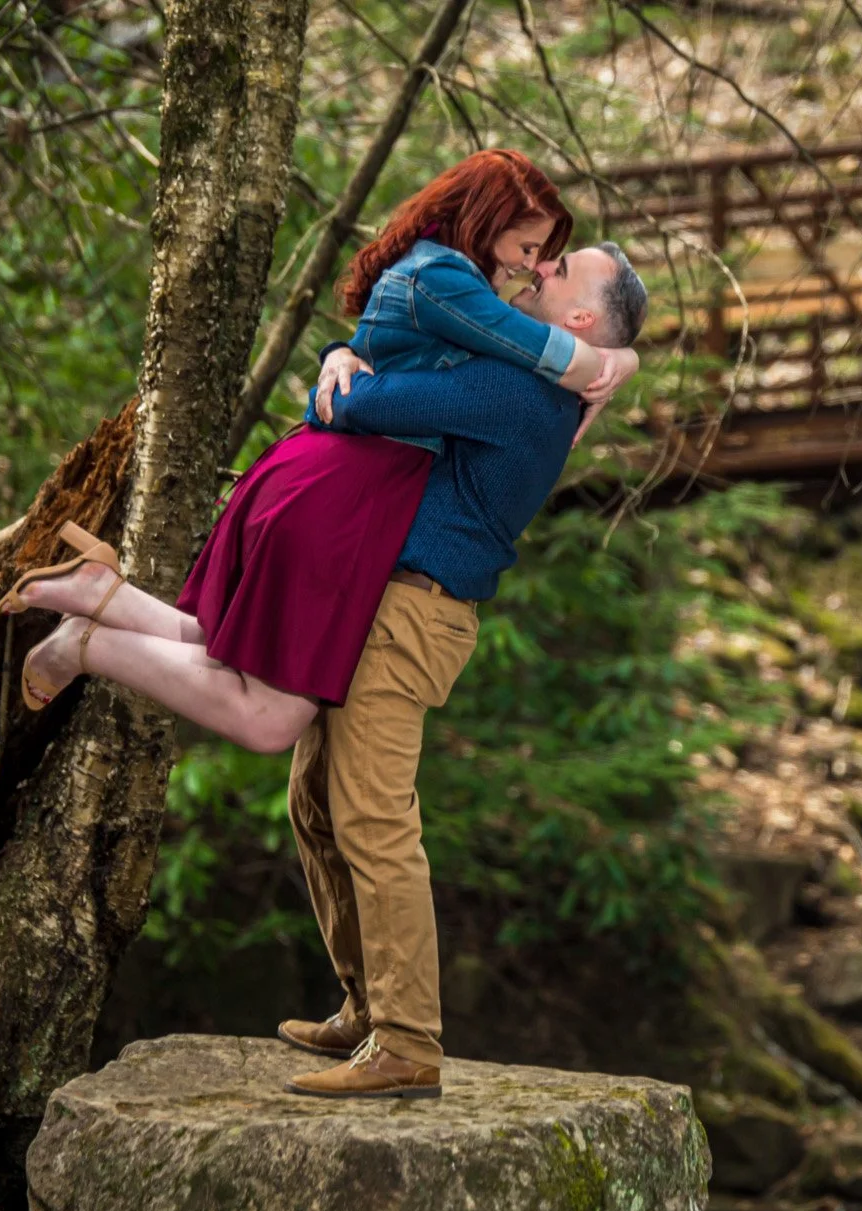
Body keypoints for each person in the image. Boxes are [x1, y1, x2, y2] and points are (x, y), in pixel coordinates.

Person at [0, 149, 636, 746]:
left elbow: (397, 355)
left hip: (321, 478)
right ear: (488, 220)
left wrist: (618, 357)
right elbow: (519, 360)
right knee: (272, 719)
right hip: (343, 491)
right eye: (530, 246)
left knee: (220, 640)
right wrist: (611, 362)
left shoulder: (440, 273)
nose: (535, 264)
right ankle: (86, 642)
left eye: (549, 258)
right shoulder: (455, 288)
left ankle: (97, 591)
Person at [277, 239, 649, 1099]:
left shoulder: (516, 387)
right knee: (315, 801)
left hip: (412, 613)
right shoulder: (527, 372)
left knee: (371, 816)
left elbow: (349, 408)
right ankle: (367, 1004)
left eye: (557, 271)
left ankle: (407, 1041)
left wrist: (340, 364)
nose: (536, 269)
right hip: (380, 600)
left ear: (579, 320)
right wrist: (344, 352)